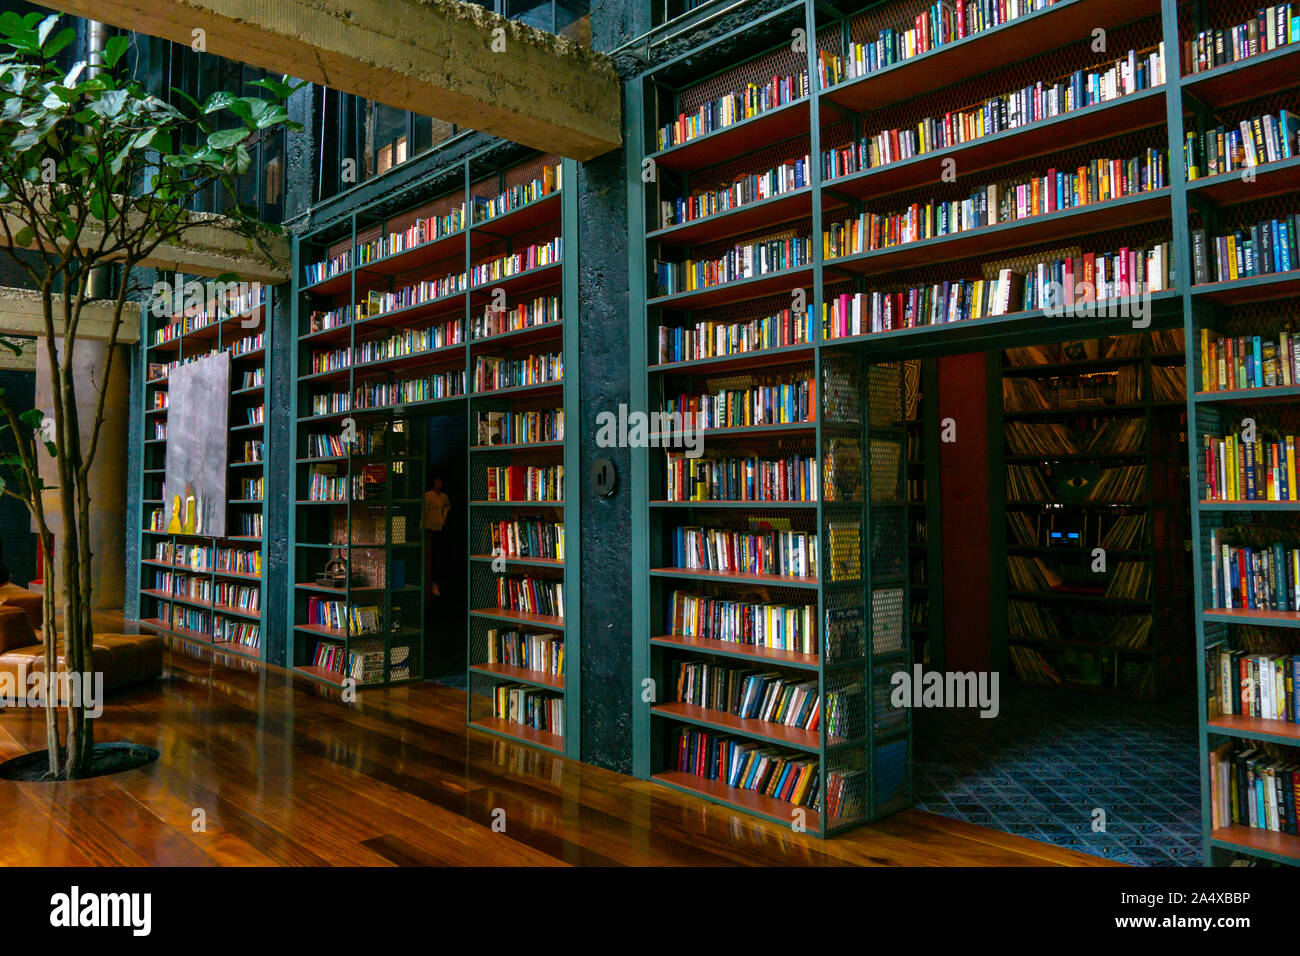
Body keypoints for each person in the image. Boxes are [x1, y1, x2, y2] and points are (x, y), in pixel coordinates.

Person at [423, 477, 451, 597]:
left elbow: (448, 506)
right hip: (429, 529)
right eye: (436, 481)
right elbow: (424, 512)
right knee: (430, 556)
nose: (439, 483)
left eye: (441, 481)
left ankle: (437, 583)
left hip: (440, 529)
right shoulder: (427, 496)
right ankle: (430, 584)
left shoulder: (443, 497)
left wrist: (444, 518)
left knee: (440, 556)